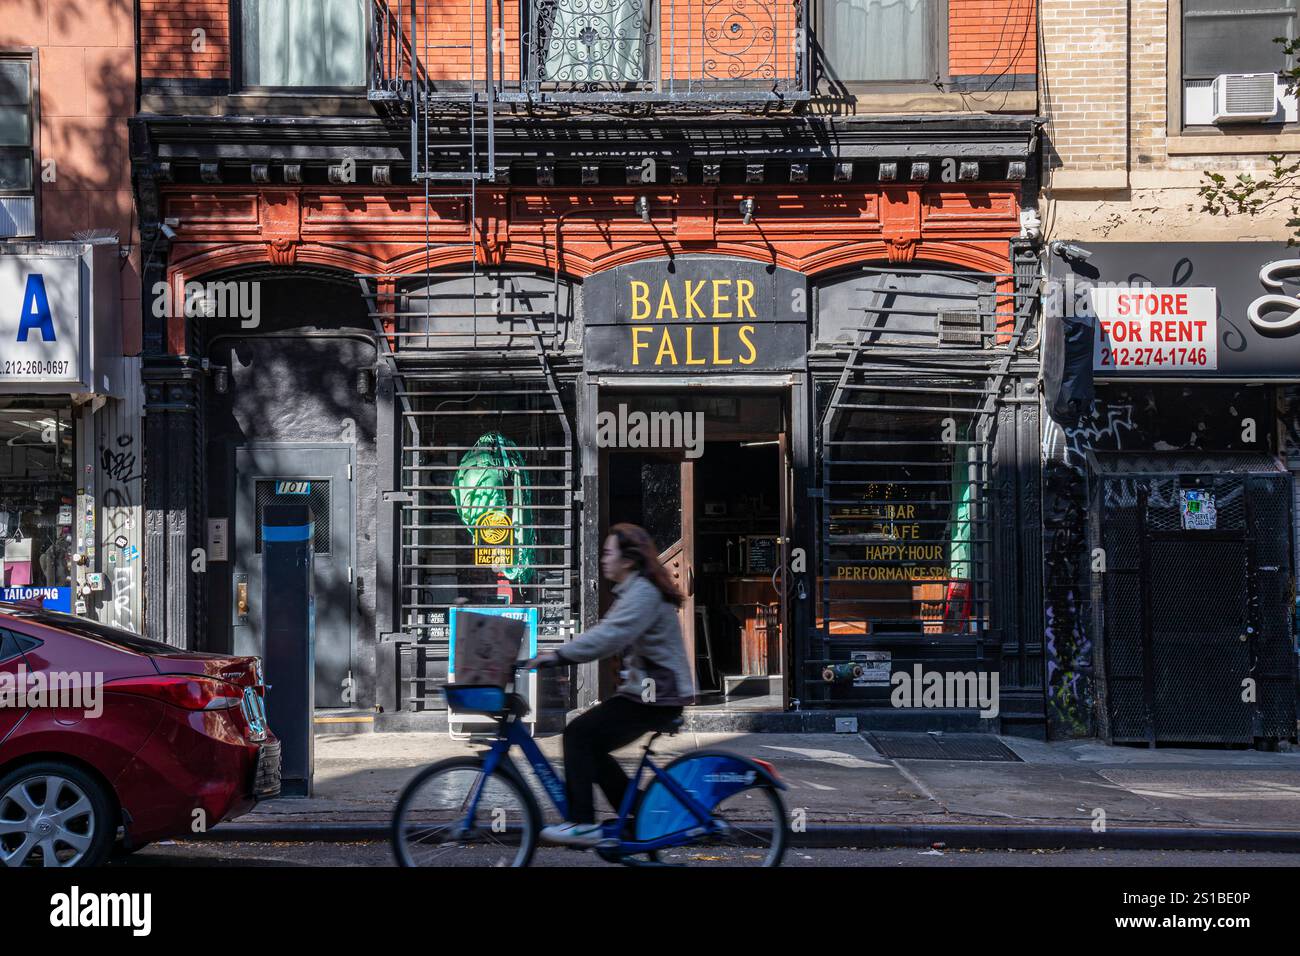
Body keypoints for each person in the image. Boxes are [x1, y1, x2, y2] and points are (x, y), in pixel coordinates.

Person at [527, 522, 695, 847]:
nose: (603, 559)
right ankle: (639, 813)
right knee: (591, 744)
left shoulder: (643, 593)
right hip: (648, 693)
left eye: (608, 553)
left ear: (628, 560)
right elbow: (606, 632)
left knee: (578, 734)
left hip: (656, 696)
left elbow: (608, 637)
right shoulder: (635, 590)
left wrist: (557, 656)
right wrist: (560, 654)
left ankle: (581, 823)